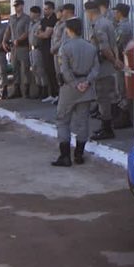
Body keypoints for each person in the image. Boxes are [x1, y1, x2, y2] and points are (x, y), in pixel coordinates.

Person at [52, 18, 98, 167]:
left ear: (69, 30)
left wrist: (74, 84)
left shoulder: (65, 47)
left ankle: (65, 156)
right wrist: (87, 82)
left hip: (69, 89)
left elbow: (64, 70)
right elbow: (96, 69)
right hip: (86, 87)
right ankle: (79, 154)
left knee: (63, 120)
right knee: (83, 121)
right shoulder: (90, 47)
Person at [85, 0, 120, 141]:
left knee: (103, 97)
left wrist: (114, 60)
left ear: (89, 12)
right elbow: (114, 45)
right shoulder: (107, 22)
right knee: (108, 96)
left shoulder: (99, 25)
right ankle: (106, 126)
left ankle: (107, 128)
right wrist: (116, 59)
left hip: (103, 67)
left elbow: (104, 48)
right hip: (108, 65)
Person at [7, 0, 32, 98]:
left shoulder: (26, 18)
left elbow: (27, 32)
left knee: (25, 68)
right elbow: (8, 30)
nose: (16, 8)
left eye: (18, 6)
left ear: (22, 6)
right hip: (14, 48)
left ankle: (27, 90)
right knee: (15, 69)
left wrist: (18, 39)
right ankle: (17, 90)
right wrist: (4, 40)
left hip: (23, 46)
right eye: (15, 6)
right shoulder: (12, 18)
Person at [27, 6, 49, 102]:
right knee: (35, 70)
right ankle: (39, 89)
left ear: (36, 14)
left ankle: (44, 90)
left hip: (38, 48)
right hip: (31, 49)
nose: (30, 15)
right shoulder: (31, 24)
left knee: (40, 70)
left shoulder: (40, 23)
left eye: (32, 13)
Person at [39, 1, 57, 102]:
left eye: (46, 9)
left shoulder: (54, 19)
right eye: (44, 9)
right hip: (44, 48)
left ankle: (57, 94)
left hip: (51, 48)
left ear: (51, 9)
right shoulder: (44, 20)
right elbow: (38, 31)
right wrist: (42, 33)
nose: (44, 11)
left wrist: (42, 33)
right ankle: (52, 93)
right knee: (47, 71)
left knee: (53, 71)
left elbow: (46, 35)